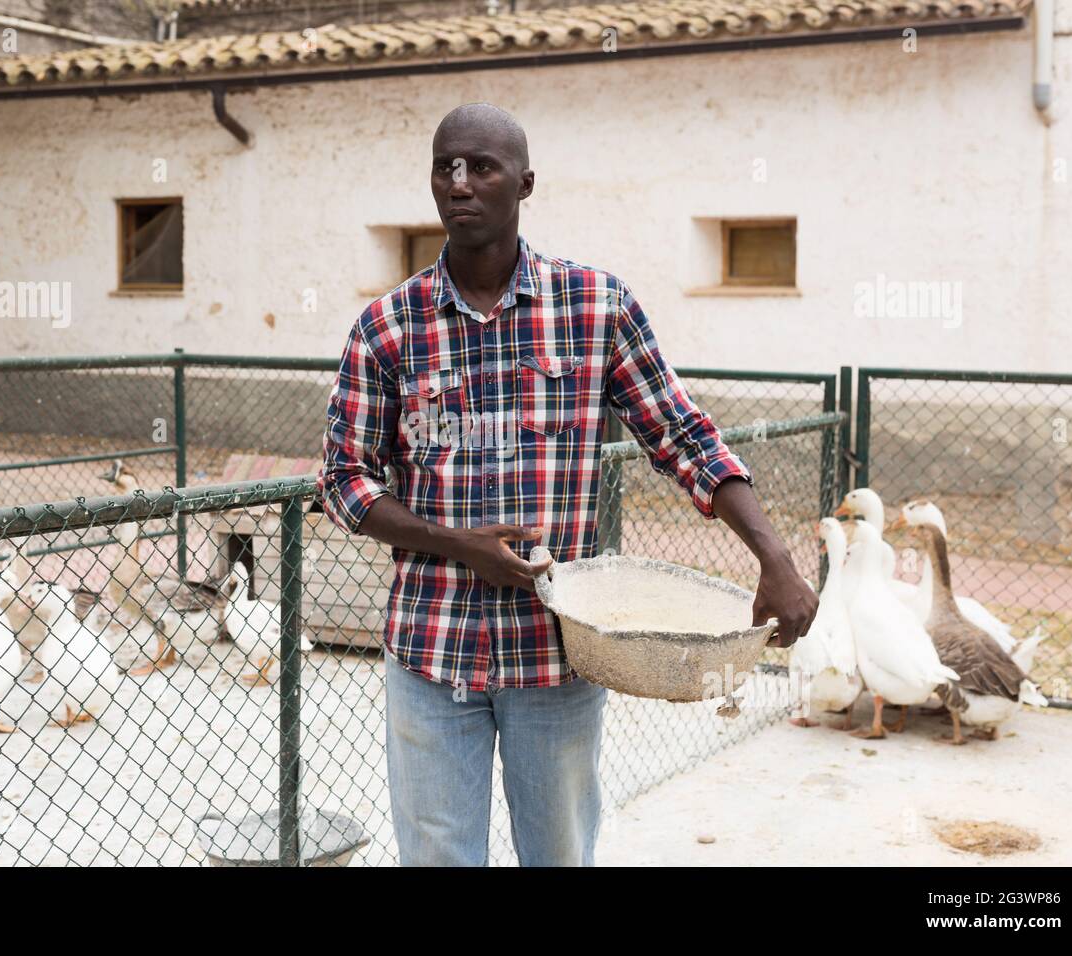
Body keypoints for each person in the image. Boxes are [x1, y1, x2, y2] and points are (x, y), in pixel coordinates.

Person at [318, 103, 817, 866]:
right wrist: (455, 544)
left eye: (480, 167)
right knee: (439, 857)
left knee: (557, 855)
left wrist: (773, 557)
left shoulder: (595, 306)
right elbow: (346, 480)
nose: (459, 184)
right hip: (429, 647)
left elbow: (681, 435)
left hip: (556, 654)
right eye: (444, 167)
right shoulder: (387, 327)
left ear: (524, 183)